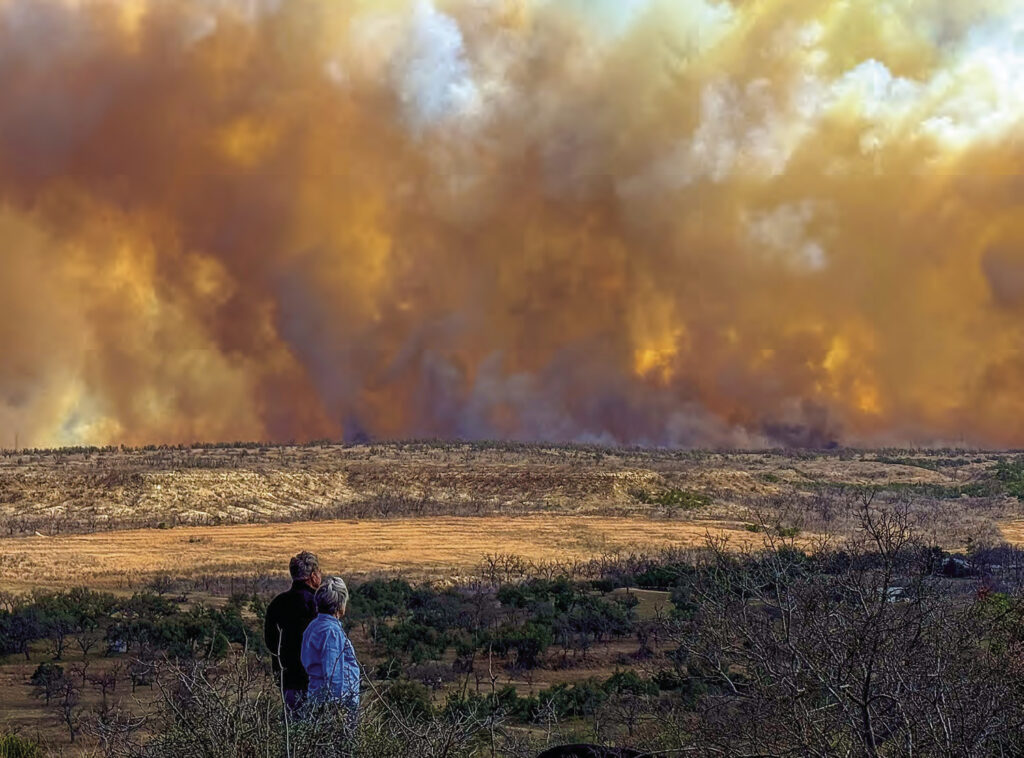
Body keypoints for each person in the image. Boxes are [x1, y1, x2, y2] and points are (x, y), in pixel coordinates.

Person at [264, 551, 321, 714]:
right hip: (313, 679)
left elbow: (270, 643)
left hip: (286, 677)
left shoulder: (277, 603)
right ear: (313, 575)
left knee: (294, 728)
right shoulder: (317, 604)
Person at [301, 576, 360, 711]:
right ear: (340, 605)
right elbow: (334, 673)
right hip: (336, 704)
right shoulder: (331, 632)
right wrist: (337, 710)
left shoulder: (313, 627)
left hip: (317, 696)